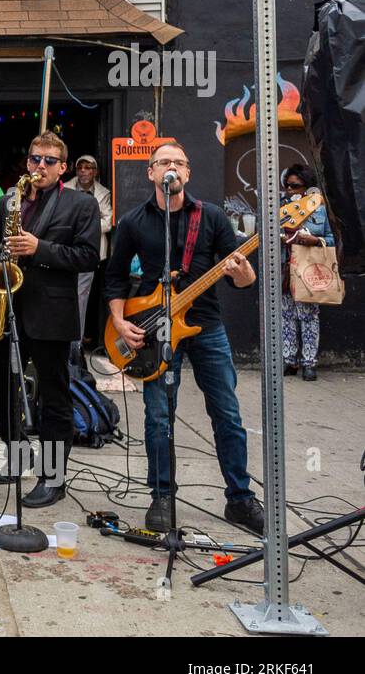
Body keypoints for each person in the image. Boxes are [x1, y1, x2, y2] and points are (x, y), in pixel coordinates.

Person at [104, 141, 265, 534]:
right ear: (151, 172)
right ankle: (161, 494)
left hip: (206, 326)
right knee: (159, 416)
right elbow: (115, 277)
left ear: (188, 173)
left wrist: (244, 272)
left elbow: (244, 276)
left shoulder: (210, 217)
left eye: (178, 162)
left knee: (227, 412)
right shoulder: (134, 221)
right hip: (154, 326)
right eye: (163, 163)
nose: (171, 168)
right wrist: (121, 322)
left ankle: (240, 499)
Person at [0, 132, 100, 508]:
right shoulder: (8, 200)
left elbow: (86, 257)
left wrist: (40, 248)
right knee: (1, 389)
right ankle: (18, 459)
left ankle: (53, 478)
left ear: (63, 167)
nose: (40, 167)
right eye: (35, 159)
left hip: (51, 313)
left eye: (49, 161)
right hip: (8, 306)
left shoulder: (81, 205)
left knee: (53, 398)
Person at [280, 164, 334, 381]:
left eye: (296, 186)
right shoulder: (280, 208)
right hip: (284, 268)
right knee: (286, 316)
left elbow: (331, 238)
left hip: (309, 268)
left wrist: (315, 240)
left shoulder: (319, 209)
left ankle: (309, 363)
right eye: (287, 186)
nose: (291, 191)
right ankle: (289, 361)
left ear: (307, 188)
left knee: (308, 316)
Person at [70, 154, 113, 352]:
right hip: (68, 249)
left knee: (86, 298)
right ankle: (72, 340)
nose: (84, 171)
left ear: (95, 172)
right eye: (81, 168)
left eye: (88, 168)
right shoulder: (67, 188)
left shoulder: (103, 193)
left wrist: (84, 227)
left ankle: (78, 342)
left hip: (93, 252)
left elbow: (109, 221)